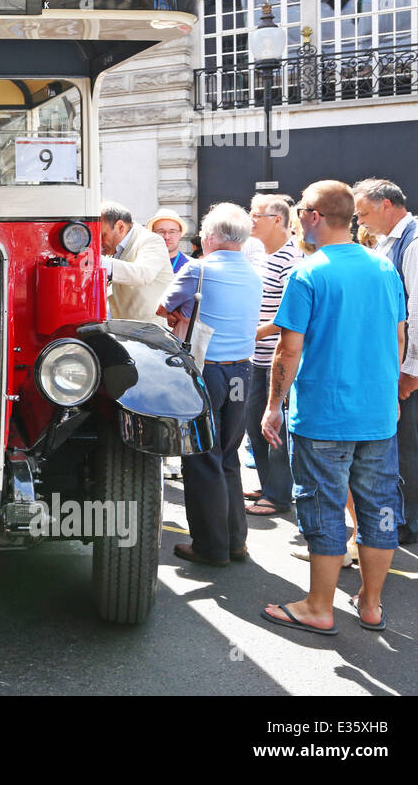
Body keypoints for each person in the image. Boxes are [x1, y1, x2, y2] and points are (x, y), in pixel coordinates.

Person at [257, 180, 405, 635]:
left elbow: (288, 351)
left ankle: (319, 607)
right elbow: (398, 339)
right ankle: (372, 603)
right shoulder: (383, 268)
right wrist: (388, 395)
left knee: (322, 508)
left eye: (301, 209)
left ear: (314, 216)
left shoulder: (308, 272)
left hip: (324, 414)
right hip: (377, 413)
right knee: (379, 508)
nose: (299, 215)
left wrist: (273, 406)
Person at [158, 203, 263, 566]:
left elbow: (163, 306)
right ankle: (236, 542)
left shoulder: (198, 269)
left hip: (208, 372)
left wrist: (182, 314)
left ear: (212, 236)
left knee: (202, 457)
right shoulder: (254, 273)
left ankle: (210, 546)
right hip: (242, 371)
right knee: (229, 455)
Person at [352, 178, 418, 546]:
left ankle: (404, 524)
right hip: (398, 363)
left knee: (404, 445)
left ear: (387, 205)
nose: (360, 222)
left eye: (364, 213)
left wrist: (412, 372)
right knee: (397, 442)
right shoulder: (398, 239)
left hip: (409, 366)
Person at [243, 194, 302, 517]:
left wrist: (252, 333)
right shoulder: (262, 255)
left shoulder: (292, 258)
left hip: (278, 357)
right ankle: (269, 487)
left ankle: (279, 495)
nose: (250, 220)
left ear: (278, 220)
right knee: (256, 426)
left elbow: (289, 318)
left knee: (274, 427)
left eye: (257, 215)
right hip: (258, 357)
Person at [100, 201, 174, 325]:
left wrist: (101, 262)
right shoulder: (112, 247)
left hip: (151, 331)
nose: (100, 242)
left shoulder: (151, 240)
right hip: (125, 329)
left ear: (120, 227)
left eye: (103, 236)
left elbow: (143, 274)